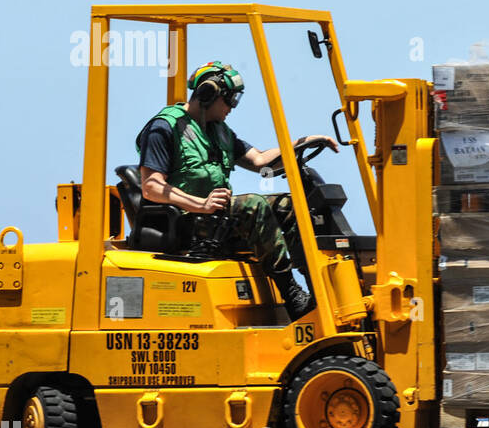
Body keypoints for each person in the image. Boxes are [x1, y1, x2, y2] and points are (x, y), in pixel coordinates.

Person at [135, 61, 339, 322]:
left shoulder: (218, 130)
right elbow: (151, 187)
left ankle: (318, 290)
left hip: (218, 217)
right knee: (253, 205)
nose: (233, 107)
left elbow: (261, 160)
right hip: (190, 222)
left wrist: (304, 141)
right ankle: (291, 293)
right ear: (208, 94)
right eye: (230, 100)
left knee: (291, 205)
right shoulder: (165, 128)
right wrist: (201, 204)